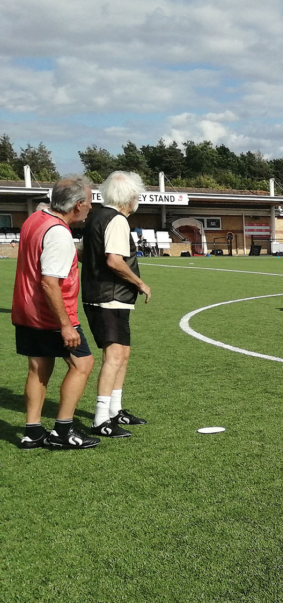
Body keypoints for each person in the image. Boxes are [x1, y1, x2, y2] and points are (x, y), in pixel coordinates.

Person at [13, 175, 99, 450]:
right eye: (89, 203)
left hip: (25, 310)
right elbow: (50, 282)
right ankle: (63, 430)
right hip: (49, 315)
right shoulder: (59, 233)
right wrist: (65, 325)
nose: (90, 208)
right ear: (77, 205)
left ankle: (32, 430)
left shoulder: (34, 219)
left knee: (39, 368)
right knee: (82, 364)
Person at [81, 171, 152, 438]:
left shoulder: (95, 216)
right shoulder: (117, 220)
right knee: (113, 357)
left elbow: (84, 254)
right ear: (129, 197)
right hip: (108, 297)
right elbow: (114, 260)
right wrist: (139, 283)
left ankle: (115, 410)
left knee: (122, 354)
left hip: (107, 296)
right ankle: (101, 418)